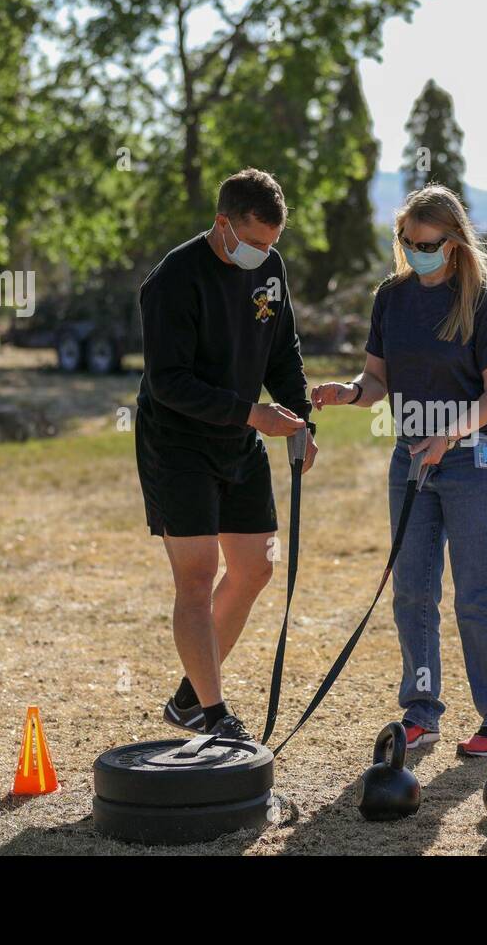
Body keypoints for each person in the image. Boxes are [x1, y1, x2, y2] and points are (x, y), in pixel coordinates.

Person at [309, 184, 487, 758]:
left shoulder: (481, 302)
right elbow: (378, 380)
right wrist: (349, 392)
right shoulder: (392, 298)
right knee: (412, 590)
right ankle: (421, 710)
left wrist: (449, 434)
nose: (415, 251)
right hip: (412, 459)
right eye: (406, 241)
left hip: (475, 459)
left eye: (427, 243)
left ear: (452, 244)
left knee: (477, 591)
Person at [135, 168, 317, 742]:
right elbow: (169, 382)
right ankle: (214, 714)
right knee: (196, 578)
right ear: (222, 225)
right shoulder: (171, 281)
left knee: (255, 568)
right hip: (178, 445)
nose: (263, 255)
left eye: (272, 245)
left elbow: (282, 352)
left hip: (240, 443)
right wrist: (252, 414)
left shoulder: (269, 269)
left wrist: (299, 421)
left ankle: (191, 694)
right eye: (254, 243)